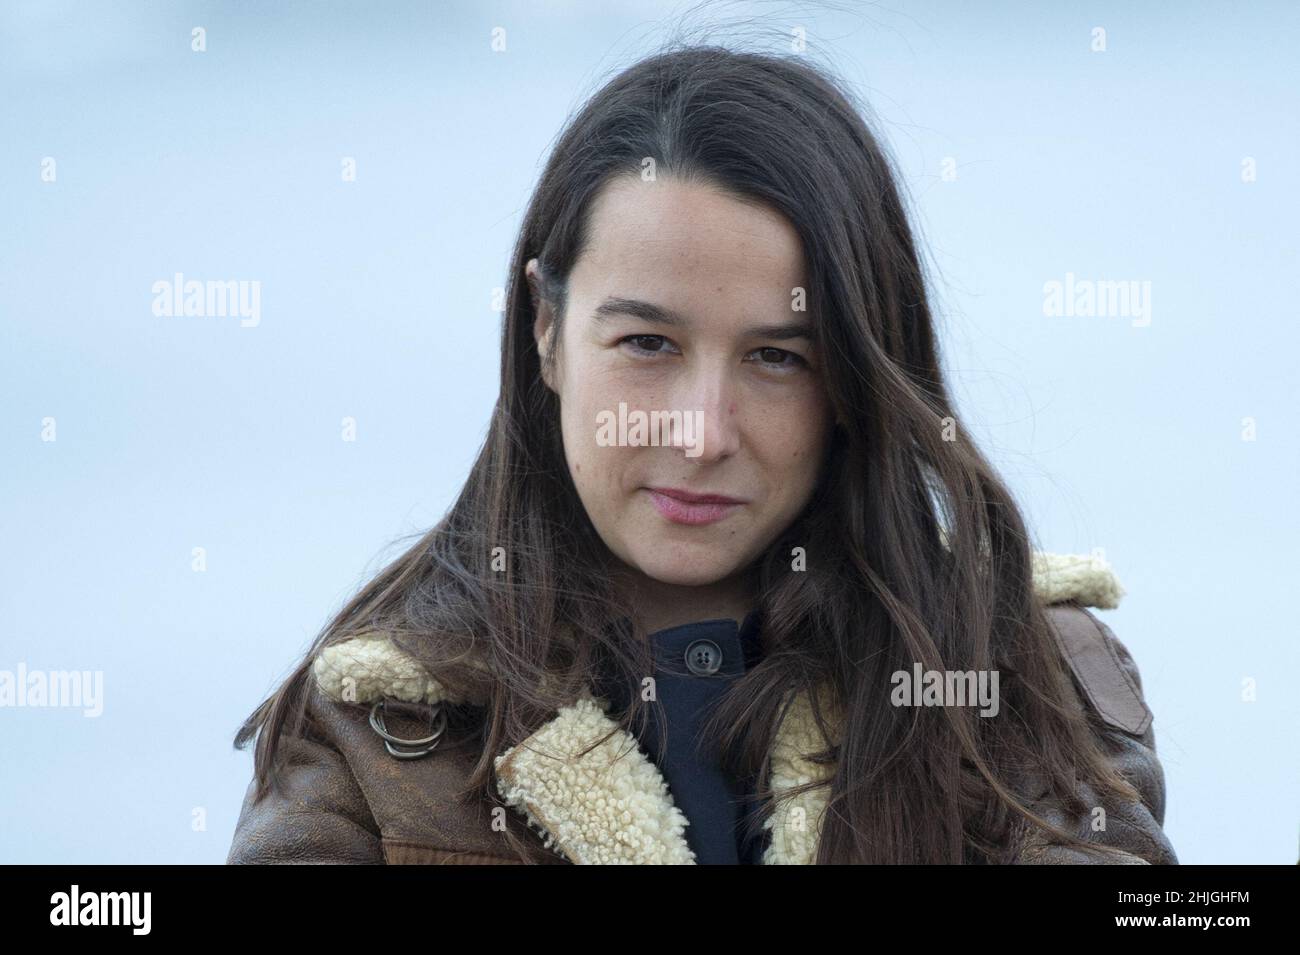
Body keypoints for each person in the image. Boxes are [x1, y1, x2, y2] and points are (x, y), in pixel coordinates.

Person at [226, 45, 1176, 865]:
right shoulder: (380, 725)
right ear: (547, 329)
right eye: (648, 345)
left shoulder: (1019, 669)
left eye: (776, 358)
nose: (701, 432)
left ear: (853, 376)